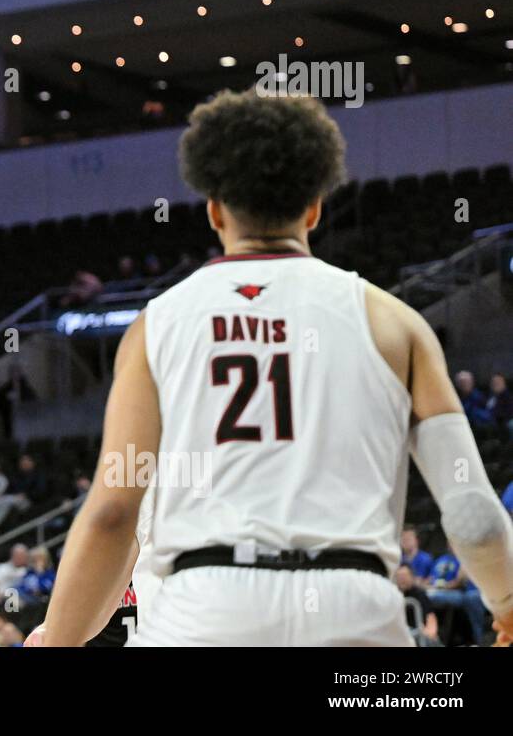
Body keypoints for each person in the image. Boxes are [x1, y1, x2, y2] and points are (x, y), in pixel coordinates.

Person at [41, 88, 513, 647]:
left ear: (214, 209)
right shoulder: (396, 324)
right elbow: (474, 516)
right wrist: (506, 603)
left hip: (206, 611)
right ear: (315, 206)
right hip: (353, 607)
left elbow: (115, 512)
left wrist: (56, 639)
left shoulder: (159, 326)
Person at [424, 543, 488, 644]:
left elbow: (460, 581)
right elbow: (429, 579)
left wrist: (443, 587)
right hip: (436, 590)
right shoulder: (441, 559)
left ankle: (478, 640)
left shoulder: (467, 559)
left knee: (470, 597)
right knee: (422, 596)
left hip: (455, 592)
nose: (452, 545)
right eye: (450, 542)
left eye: (455, 542)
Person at [393, 564, 441, 645]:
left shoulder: (419, 594)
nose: (402, 579)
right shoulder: (392, 595)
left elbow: (430, 616)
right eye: (399, 576)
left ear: (412, 577)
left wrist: (430, 633)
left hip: (419, 631)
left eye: (405, 576)